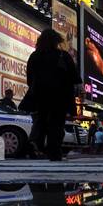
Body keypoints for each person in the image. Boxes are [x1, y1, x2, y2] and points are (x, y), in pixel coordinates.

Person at [25, 28, 77, 161]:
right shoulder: (63, 56)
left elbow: (29, 79)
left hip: (40, 95)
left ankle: (35, 144)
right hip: (59, 97)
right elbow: (74, 78)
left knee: (40, 121)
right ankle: (54, 152)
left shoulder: (34, 56)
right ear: (56, 41)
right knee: (56, 124)